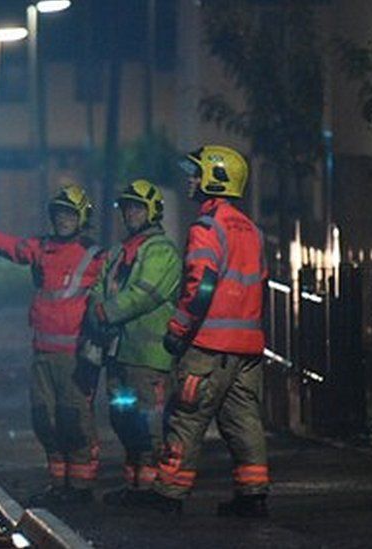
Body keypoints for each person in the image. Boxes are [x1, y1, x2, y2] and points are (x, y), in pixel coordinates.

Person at [0, 184, 105, 504]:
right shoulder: (42, 247)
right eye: (58, 213)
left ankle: (81, 489)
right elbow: (8, 246)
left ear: (82, 218)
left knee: (74, 420)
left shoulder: (94, 255)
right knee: (45, 420)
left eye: (69, 214)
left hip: (75, 356)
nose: (62, 219)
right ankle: (59, 484)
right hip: (43, 354)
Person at [146, 145, 270, 517]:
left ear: (215, 179)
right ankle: (253, 495)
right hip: (247, 348)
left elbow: (201, 284)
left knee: (186, 417)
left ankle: (169, 494)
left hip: (207, 346)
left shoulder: (207, 227)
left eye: (197, 173)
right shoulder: (252, 230)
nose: (191, 180)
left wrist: (178, 329)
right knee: (243, 420)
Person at [83, 179, 182, 507]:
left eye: (137, 208)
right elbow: (98, 285)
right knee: (123, 418)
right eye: (127, 208)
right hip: (118, 353)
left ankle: (152, 490)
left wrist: (104, 311)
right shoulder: (118, 251)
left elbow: (144, 294)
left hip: (148, 356)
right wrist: (97, 305)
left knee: (148, 422)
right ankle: (134, 486)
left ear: (152, 211)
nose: (130, 214)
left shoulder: (161, 251)